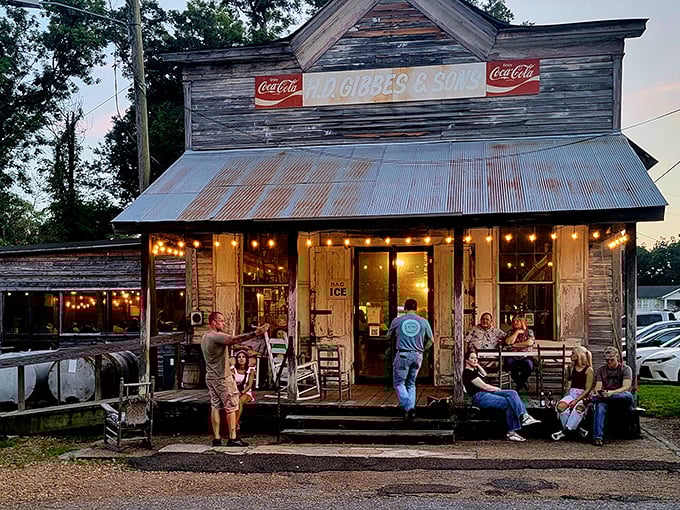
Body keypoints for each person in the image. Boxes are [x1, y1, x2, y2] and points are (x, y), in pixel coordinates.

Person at [201, 311, 268, 447]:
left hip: (211, 376)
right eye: (221, 321)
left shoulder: (205, 337)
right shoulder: (216, 336)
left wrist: (242, 347)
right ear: (213, 322)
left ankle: (217, 438)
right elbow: (233, 339)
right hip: (222, 377)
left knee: (215, 406)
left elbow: (231, 344)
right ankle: (232, 437)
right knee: (232, 406)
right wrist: (256, 333)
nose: (224, 323)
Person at [463, 350, 541, 441]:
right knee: (509, 402)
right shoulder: (467, 373)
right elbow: (485, 387)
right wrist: (497, 389)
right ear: (466, 360)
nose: (475, 360)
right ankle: (512, 432)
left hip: (487, 394)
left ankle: (525, 416)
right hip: (479, 397)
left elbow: (484, 374)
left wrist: (477, 365)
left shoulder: (474, 370)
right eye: (472, 358)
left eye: (476, 358)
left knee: (513, 393)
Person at [387, 298, 433, 420]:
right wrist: (422, 349)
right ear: (416, 308)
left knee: (399, 382)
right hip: (418, 355)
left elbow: (388, 336)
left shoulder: (397, 320)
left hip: (403, 354)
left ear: (405, 308)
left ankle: (408, 407)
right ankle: (411, 410)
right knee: (411, 383)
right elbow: (431, 341)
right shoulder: (424, 321)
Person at [591, 346, 634, 447]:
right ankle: (598, 437)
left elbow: (626, 387)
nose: (609, 362)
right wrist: (599, 393)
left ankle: (594, 399)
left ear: (617, 358)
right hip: (606, 398)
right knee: (600, 406)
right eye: (607, 360)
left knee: (627, 395)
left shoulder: (626, 369)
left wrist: (611, 393)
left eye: (611, 360)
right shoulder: (601, 370)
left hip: (621, 397)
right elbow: (598, 387)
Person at [551, 346, 594, 441]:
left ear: (579, 355)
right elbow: (568, 384)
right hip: (572, 393)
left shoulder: (589, 370)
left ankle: (565, 432)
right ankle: (577, 430)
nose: (571, 355)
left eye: (573, 353)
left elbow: (588, 388)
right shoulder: (571, 367)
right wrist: (567, 396)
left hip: (583, 395)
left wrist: (576, 400)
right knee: (561, 407)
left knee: (579, 408)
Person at [502, 314, 536, 391]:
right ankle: (521, 384)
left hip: (526, 356)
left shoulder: (529, 332)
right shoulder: (511, 332)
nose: (515, 322)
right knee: (511, 366)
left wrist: (515, 345)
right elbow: (508, 342)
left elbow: (529, 342)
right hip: (512, 356)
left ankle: (519, 385)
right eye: (514, 321)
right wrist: (517, 332)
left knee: (528, 366)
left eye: (517, 321)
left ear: (522, 322)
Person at [231, 350, 256, 439]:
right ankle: (234, 424)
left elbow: (249, 385)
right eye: (239, 357)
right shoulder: (233, 369)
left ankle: (235, 424)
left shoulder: (250, 370)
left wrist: (242, 392)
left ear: (246, 359)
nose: (241, 359)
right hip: (235, 391)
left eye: (243, 357)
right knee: (233, 403)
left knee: (240, 401)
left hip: (245, 392)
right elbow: (231, 382)